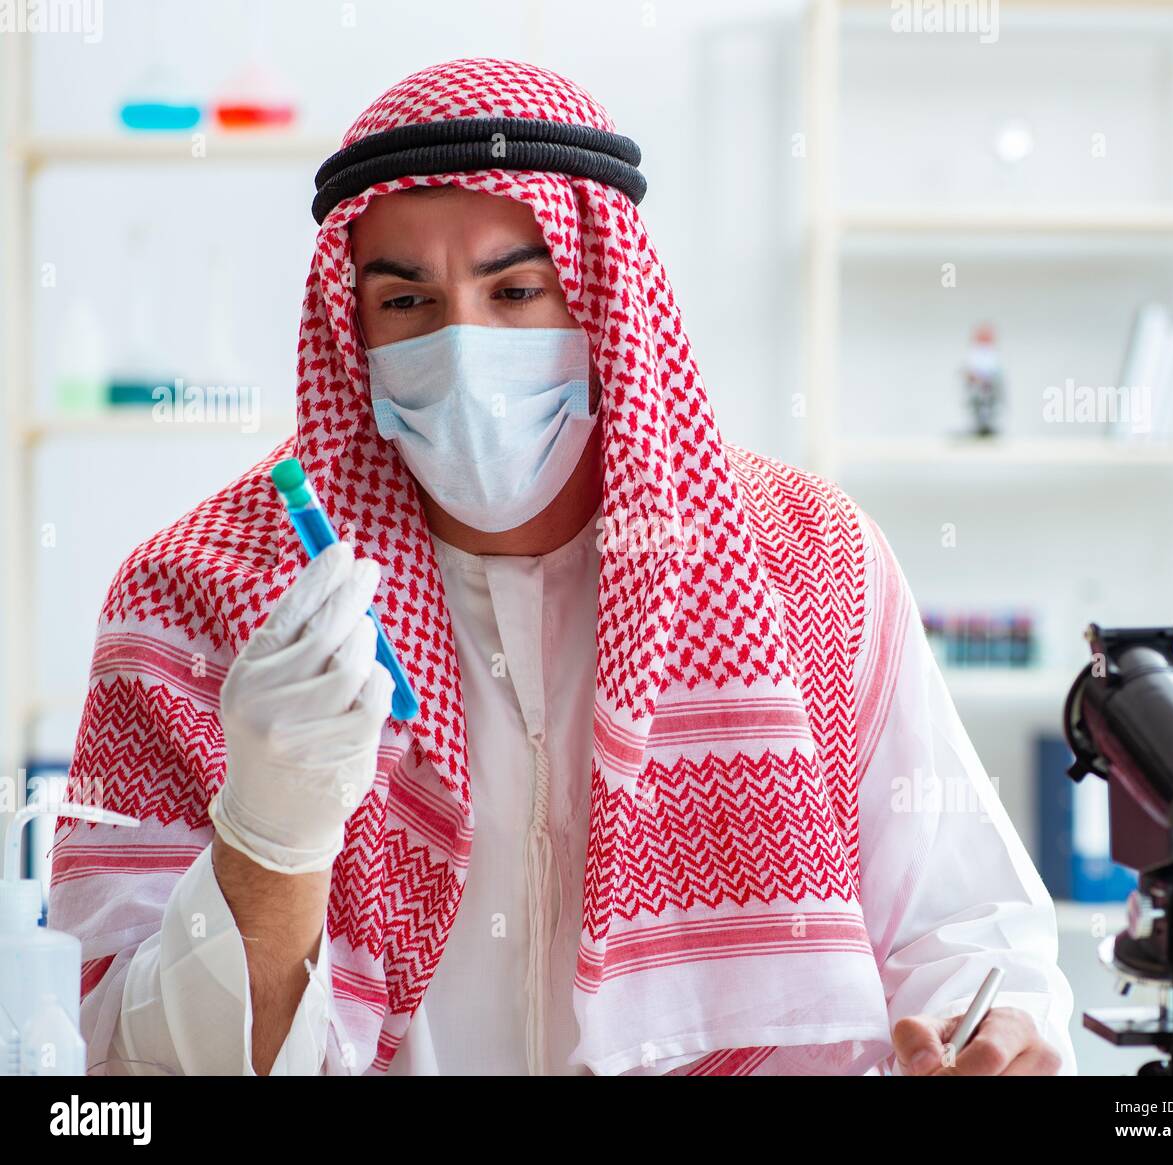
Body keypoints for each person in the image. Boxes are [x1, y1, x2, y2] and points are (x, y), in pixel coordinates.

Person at [49, 58, 1075, 1077]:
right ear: (349, 325)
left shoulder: (809, 562)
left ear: (601, 298)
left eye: (516, 289)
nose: (462, 345)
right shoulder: (195, 597)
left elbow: (959, 926)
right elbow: (130, 1068)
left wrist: (994, 1032)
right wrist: (270, 835)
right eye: (406, 301)